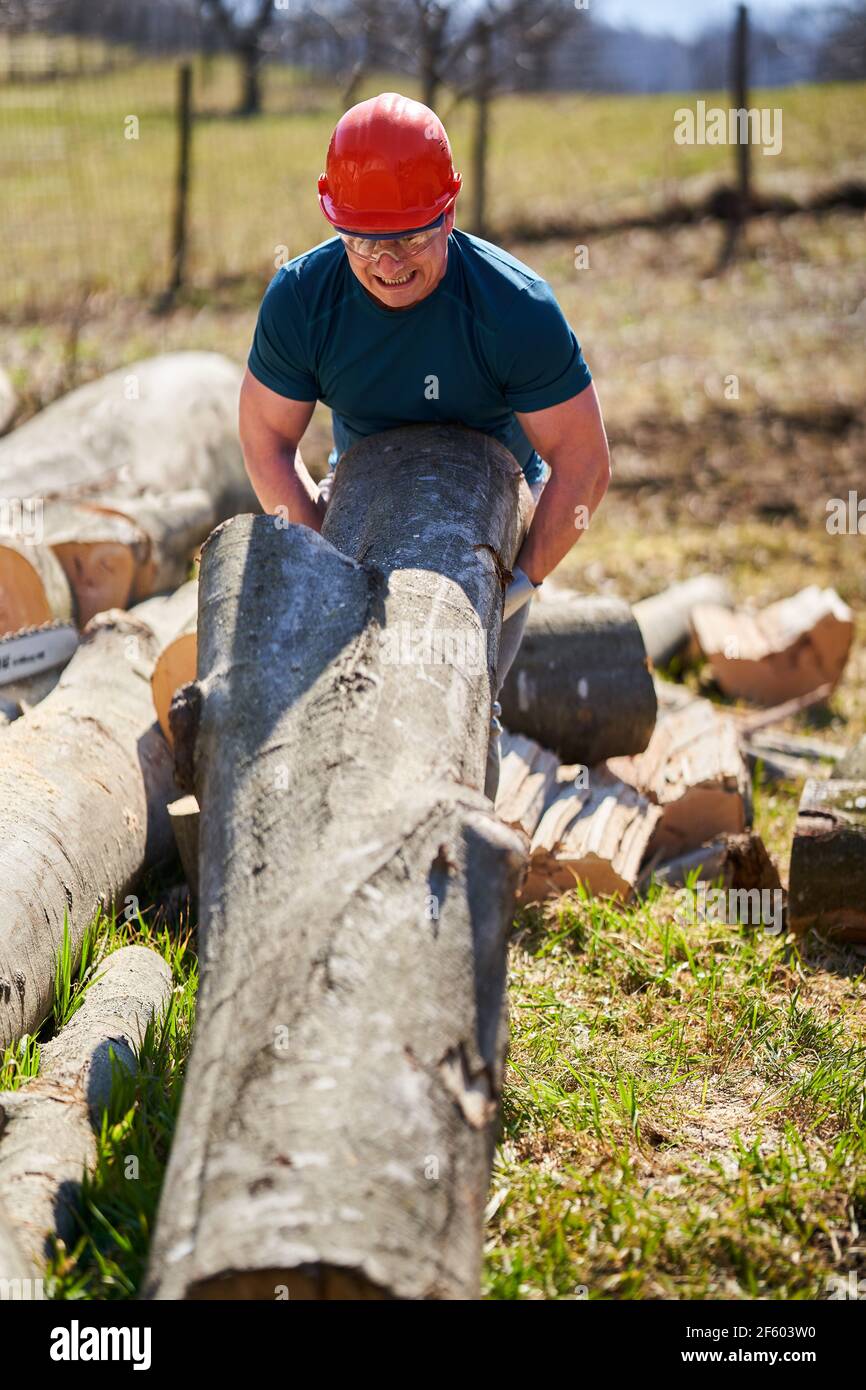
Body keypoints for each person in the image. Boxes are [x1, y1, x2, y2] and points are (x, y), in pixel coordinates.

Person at [240, 91, 610, 796]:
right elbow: (264, 439)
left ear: (450, 212)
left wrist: (520, 580)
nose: (388, 263)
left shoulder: (514, 308)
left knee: (463, 707)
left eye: (410, 237)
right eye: (364, 241)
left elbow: (585, 464)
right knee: (342, 698)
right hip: (362, 489)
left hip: (491, 512)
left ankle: (467, 872)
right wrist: (319, 548)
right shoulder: (302, 299)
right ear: (333, 222)